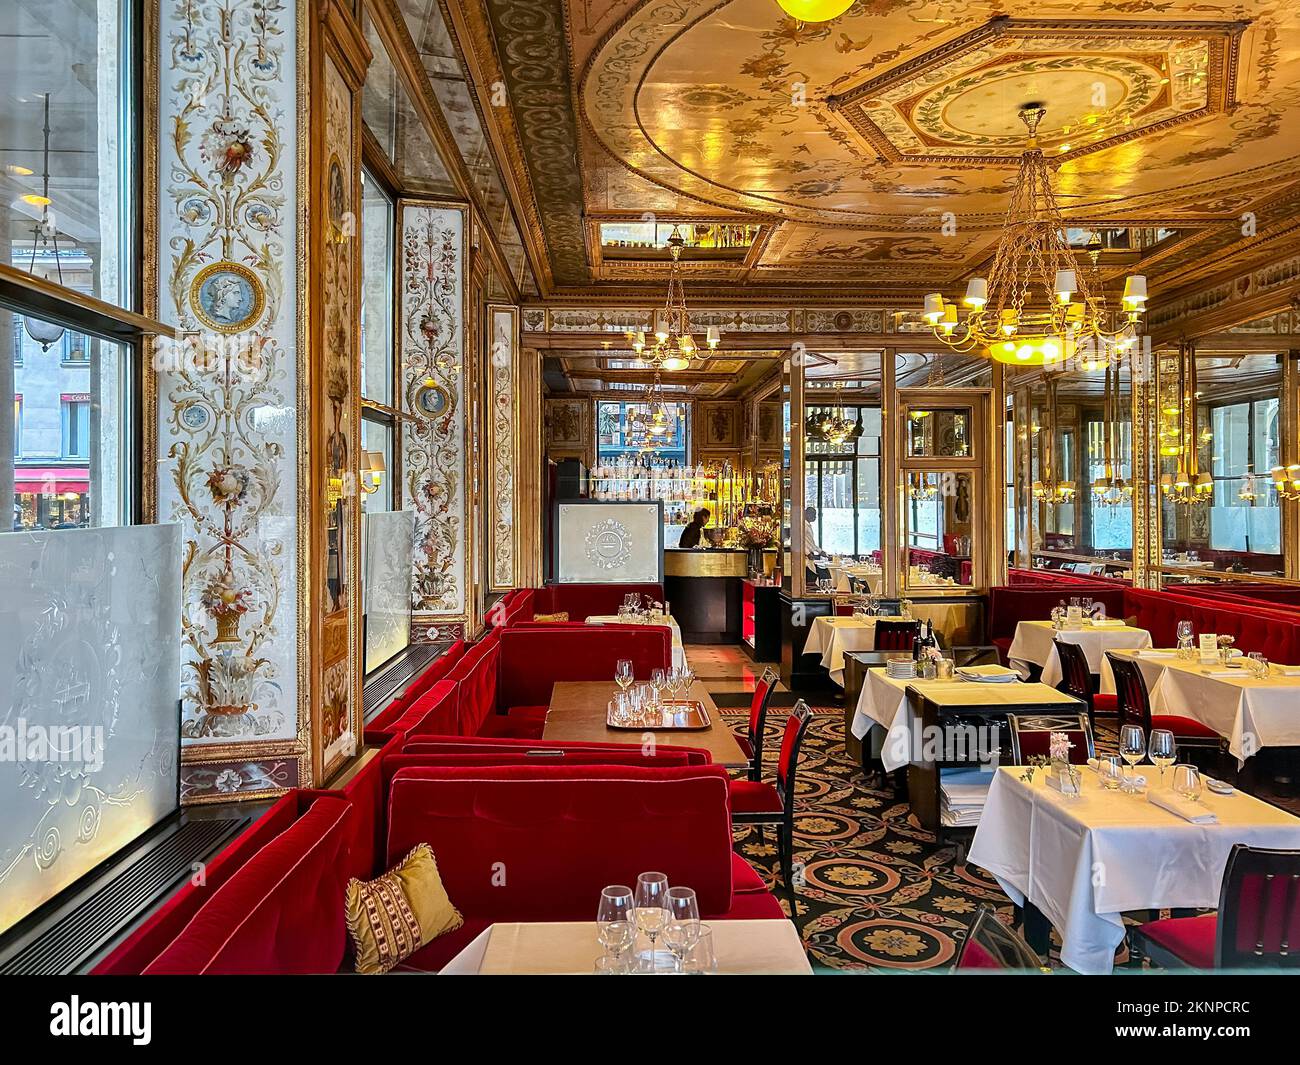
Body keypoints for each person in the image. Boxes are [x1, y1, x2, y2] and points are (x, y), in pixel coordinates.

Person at [804, 506, 830, 588]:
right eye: (813, 514)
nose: (815, 517)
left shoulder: (808, 525)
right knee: (812, 579)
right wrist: (808, 553)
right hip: (806, 557)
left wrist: (820, 551)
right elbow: (799, 541)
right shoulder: (803, 525)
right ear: (806, 514)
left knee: (814, 577)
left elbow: (811, 543)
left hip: (809, 556)